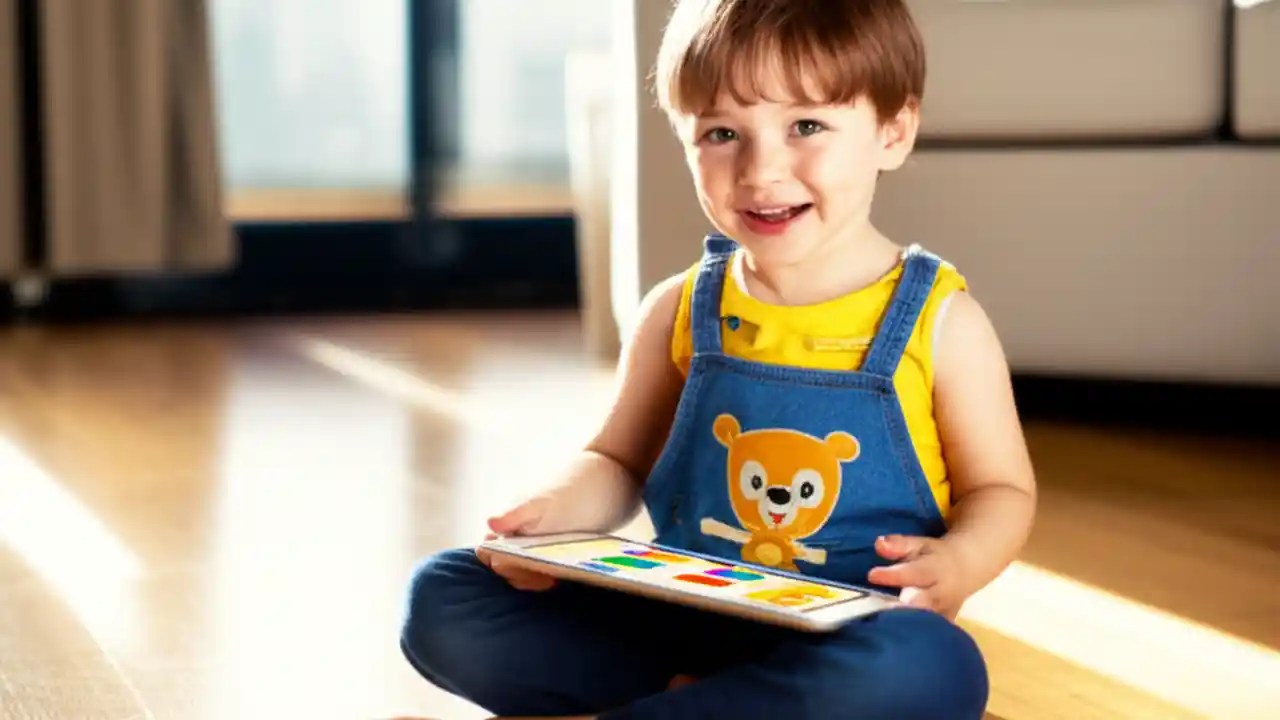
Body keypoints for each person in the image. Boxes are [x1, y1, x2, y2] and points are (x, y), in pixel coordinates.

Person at [398, 1, 1036, 718]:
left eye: (807, 126)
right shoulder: (679, 309)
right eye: (722, 133)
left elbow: (1001, 492)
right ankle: (715, 701)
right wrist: (550, 520)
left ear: (894, 131)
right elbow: (618, 462)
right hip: (676, 617)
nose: (761, 169)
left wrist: (959, 564)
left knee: (932, 667)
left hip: (850, 633)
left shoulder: (940, 323)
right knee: (446, 597)